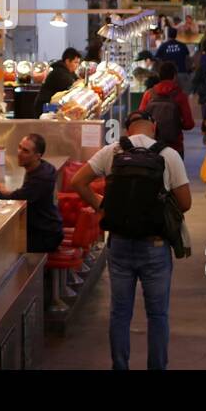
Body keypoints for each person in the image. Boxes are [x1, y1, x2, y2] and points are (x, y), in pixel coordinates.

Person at [66, 111, 191, 370]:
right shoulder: (168, 155)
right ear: (153, 128)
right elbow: (185, 203)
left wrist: (103, 206)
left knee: (120, 314)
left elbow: (78, 182)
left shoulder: (112, 151)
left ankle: (120, 366)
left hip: (120, 243)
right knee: (157, 315)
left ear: (127, 130)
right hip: (155, 245)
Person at [0, 134, 62, 253]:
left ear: (37, 156)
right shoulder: (42, 167)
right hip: (48, 229)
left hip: (44, 236)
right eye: (19, 147)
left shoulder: (40, 178)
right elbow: (24, 195)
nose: (19, 153)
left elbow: (9, 200)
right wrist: (8, 192)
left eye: (25, 151)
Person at [139, 60, 196, 158]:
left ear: (159, 75)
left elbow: (140, 118)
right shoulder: (180, 96)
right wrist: (176, 123)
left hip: (153, 145)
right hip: (175, 146)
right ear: (174, 76)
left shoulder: (149, 94)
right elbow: (189, 124)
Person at [35, 47, 82, 113]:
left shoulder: (69, 72)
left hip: (54, 104)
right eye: (76, 62)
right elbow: (72, 86)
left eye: (78, 63)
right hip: (45, 106)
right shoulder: (59, 72)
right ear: (67, 61)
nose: (77, 65)